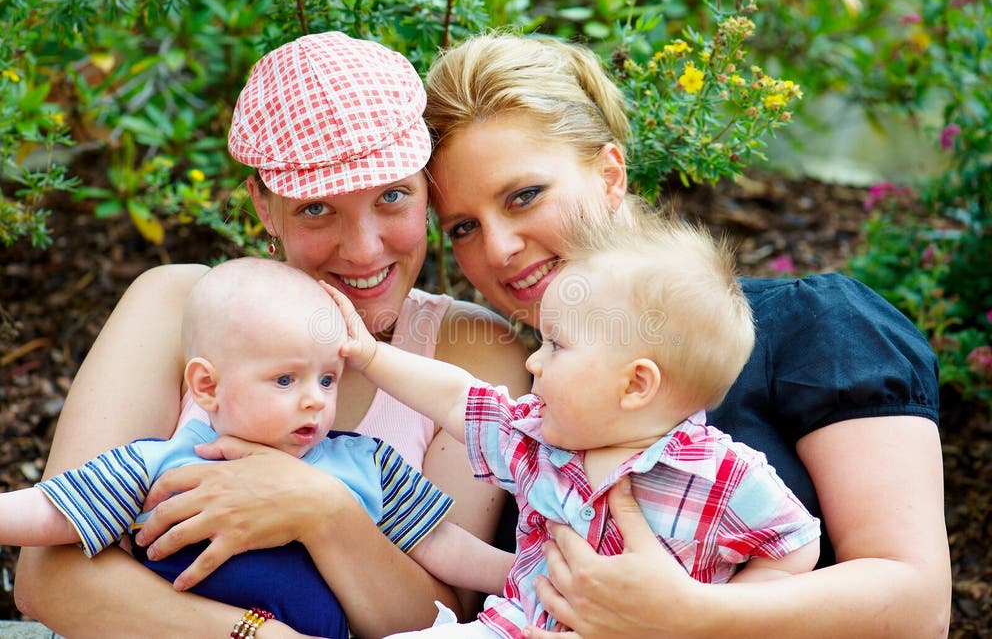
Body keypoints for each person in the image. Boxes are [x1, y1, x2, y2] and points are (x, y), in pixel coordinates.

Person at [422, 31, 951, 637]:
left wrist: (692, 617)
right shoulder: (510, 391)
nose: (497, 248)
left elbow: (920, 606)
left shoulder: (815, 329)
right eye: (463, 227)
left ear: (610, 174)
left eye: (524, 196)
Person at [14, 32, 530, 639]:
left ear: (427, 187)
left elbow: (443, 619)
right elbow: (49, 578)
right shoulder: (172, 307)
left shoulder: (471, 349)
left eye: (392, 197)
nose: (364, 249)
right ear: (263, 204)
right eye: (317, 208)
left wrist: (324, 511)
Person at [327, 211, 822, 637]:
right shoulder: (536, 438)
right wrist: (372, 356)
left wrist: (710, 615)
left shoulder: (720, 476)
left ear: (635, 385)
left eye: (556, 346)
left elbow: (794, 544)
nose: (535, 364)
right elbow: (457, 397)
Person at [1, 257, 507, 637]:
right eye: (285, 380)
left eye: (327, 380)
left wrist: (528, 570)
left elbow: (446, 549)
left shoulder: (366, 464)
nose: (314, 401)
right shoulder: (164, 462)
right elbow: (52, 513)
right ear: (207, 387)